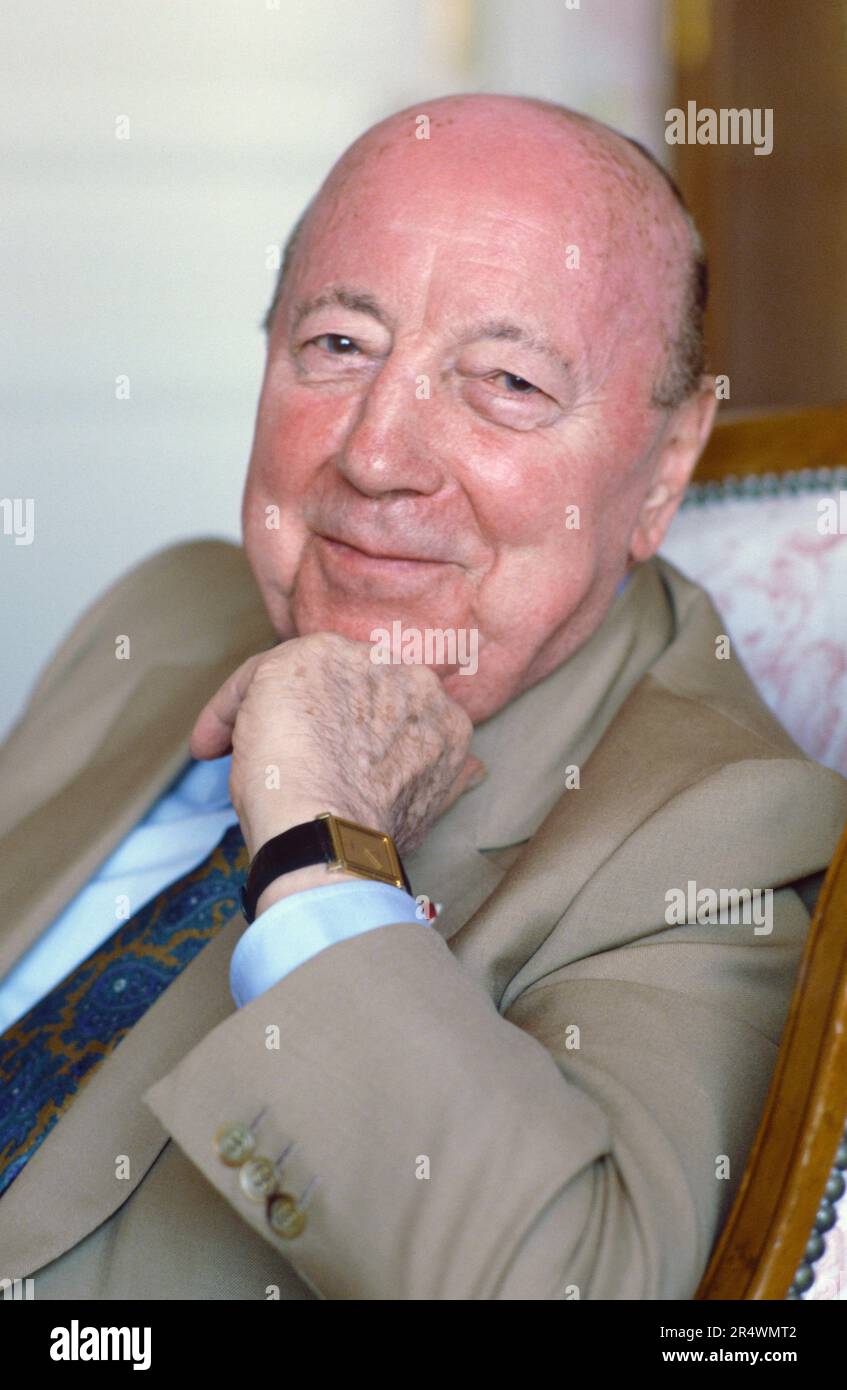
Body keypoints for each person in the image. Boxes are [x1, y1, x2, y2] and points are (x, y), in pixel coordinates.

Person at [1, 93, 845, 1301]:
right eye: (338, 344)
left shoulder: (721, 832)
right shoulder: (171, 610)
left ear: (663, 466)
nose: (376, 454)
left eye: (505, 379)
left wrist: (318, 849)